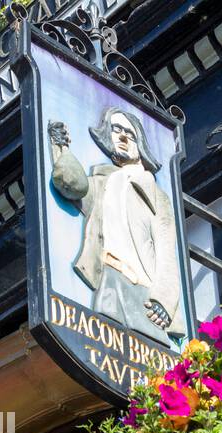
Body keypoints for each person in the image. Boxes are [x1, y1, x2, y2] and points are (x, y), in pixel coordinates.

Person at [48, 107, 181, 345]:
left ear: (140, 143)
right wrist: (61, 148)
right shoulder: (102, 182)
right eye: (116, 130)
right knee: (101, 352)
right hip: (108, 278)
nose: (121, 136)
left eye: (129, 133)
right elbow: (71, 184)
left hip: (142, 291)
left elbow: (166, 251)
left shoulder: (157, 195)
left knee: (151, 367)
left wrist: (164, 301)